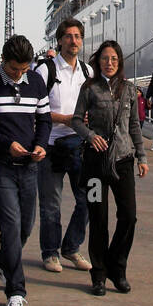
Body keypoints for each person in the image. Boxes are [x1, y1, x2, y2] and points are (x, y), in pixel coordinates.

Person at [0, 34, 49, 306]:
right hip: (1, 166)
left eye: (24, 69)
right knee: (11, 227)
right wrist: (6, 144)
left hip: (29, 166)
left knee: (26, 227)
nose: (19, 75)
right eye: (15, 69)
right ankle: (16, 291)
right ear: (4, 61)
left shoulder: (37, 82)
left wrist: (40, 144)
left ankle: (3, 260)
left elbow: (44, 119)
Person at [70, 40, 147, 296]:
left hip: (123, 161)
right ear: (98, 61)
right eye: (105, 58)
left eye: (114, 59)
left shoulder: (129, 90)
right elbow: (76, 120)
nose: (110, 63)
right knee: (98, 218)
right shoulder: (89, 88)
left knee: (129, 216)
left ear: (120, 61)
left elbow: (134, 126)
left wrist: (142, 157)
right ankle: (99, 275)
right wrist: (90, 136)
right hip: (94, 163)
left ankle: (118, 267)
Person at [35, 19, 93, 274]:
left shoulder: (88, 72)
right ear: (59, 41)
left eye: (77, 36)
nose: (73, 41)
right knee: (51, 204)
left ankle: (71, 246)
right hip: (50, 144)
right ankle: (50, 253)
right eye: (68, 36)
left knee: (91, 199)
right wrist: (66, 119)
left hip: (80, 144)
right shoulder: (45, 71)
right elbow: (37, 110)